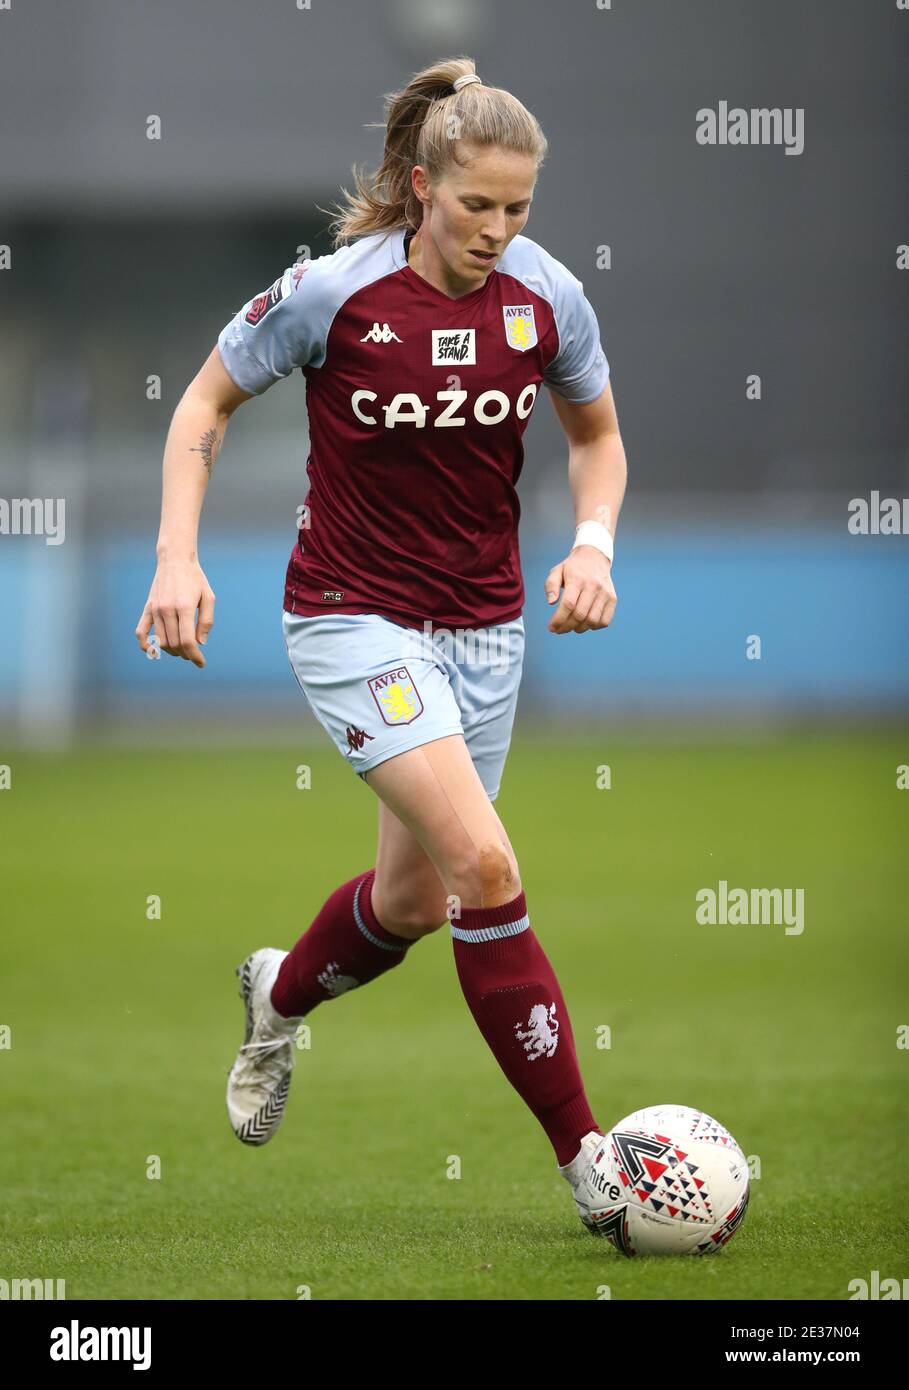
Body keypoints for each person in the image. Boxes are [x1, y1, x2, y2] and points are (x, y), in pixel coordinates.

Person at [135, 57, 627, 1231]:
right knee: (489, 871)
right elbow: (202, 406)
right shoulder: (329, 293)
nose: (498, 232)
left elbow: (597, 437)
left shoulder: (547, 297)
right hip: (352, 617)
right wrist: (175, 556)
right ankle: (590, 1164)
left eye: (517, 209)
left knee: (410, 905)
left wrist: (595, 543)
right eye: (476, 207)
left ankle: (278, 994)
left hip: (484, 627)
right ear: (420, 186)